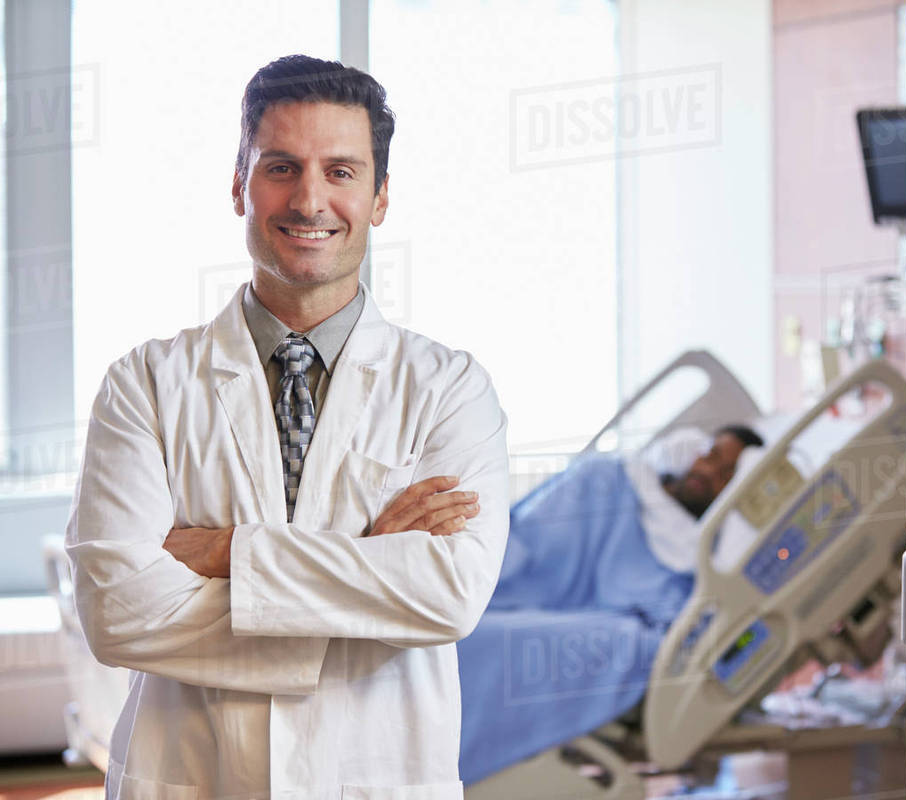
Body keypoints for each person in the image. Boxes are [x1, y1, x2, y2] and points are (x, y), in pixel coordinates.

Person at [66, 55, 508, 799]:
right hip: (191, 777)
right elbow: (118, 613)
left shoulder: (450, 389)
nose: (310, 200)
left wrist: (230, 551)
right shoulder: (144, 383)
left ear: (381, 197)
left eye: (341, 171)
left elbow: (448, 596)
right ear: (238, 183)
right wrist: (366, 568)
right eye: (280, 167)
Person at [456, 424, 762, 783]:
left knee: (482, 644)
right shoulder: (612, 478)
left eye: (728, 475)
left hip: (597, 619)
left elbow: (677, 617)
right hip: (510, 587)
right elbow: (526, 535)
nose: (709, 472)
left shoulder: (698, 556)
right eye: (711, 456)